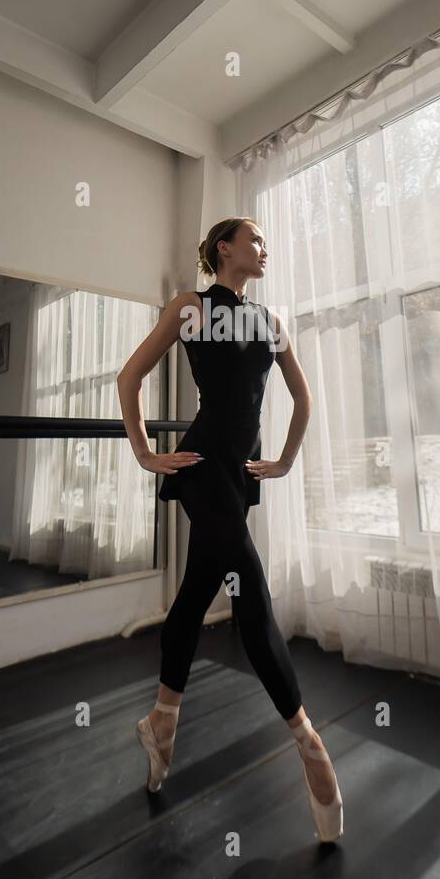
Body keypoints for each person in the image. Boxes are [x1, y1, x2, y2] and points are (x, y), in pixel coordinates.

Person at [117, 216, 343, 841]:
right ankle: (309, 742)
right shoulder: (190, 307)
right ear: (224, 248)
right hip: (200, 465)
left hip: (239, 472)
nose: (264, 248)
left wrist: (285, 460)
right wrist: (143, 451)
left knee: (196, 591)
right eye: (254, 239)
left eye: (264, 242)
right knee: (250, 590)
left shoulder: (270, 321)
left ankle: (163, 719)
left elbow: (303, 399)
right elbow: (129, 377)